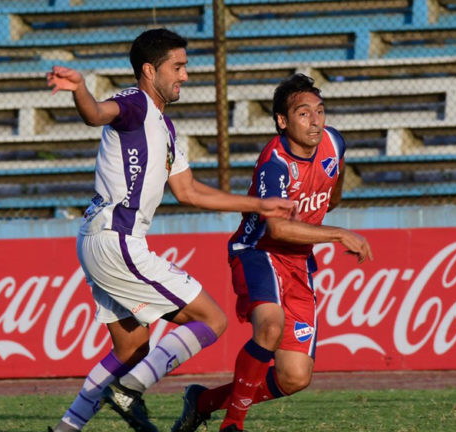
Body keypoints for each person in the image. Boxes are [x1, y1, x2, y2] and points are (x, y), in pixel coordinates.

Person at [45, 28, 294, 432]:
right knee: (212, 320)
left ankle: (67, 427)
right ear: (149, 70)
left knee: (131, 345)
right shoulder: (135, 102)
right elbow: (95, 114)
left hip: (98, 240)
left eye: (186, 67)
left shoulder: (166, 128)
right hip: (116, 239)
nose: (185, 76)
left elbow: (189, 191)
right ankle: (131, 389)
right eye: (177, 67)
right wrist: (79, 88)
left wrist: (260, 204)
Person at [169, 73, 373, 432]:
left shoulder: (334, 142)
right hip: (258, 252)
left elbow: (334, 191)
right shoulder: (274, 162)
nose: (315, 120)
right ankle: (233, 424)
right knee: (270, 329)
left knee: (295, 377)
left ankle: (203, 401)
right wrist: (338, 234)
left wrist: (327, 209)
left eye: (320, 111)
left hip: (298, 262)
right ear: (283, 120)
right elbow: (277, 228)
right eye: (303, 113)